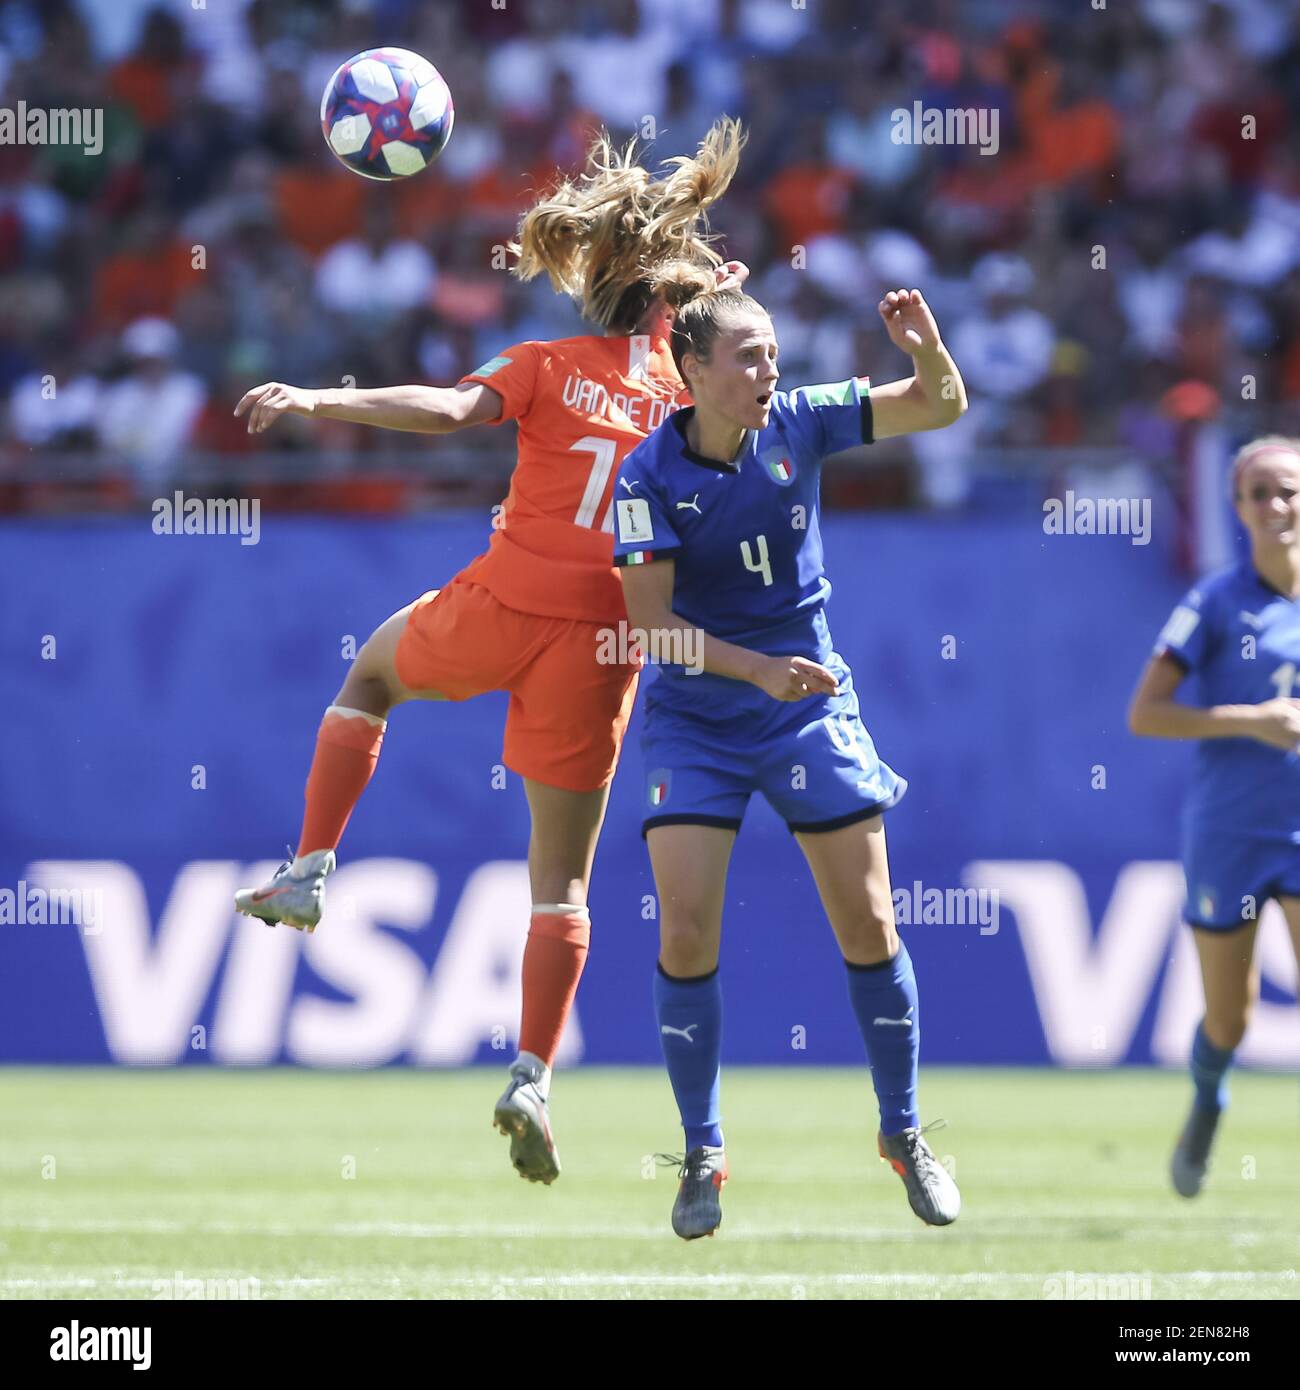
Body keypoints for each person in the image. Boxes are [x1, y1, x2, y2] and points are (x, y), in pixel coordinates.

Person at [231, 118, 748, 1186]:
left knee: (371, 675)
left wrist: (322, 398)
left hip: (504, 599)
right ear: (668, 307)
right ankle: (530, 1073)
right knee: (560, 882)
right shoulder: (682, 392)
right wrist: (715, 304)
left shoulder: (546, 363)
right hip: (605, 637)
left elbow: (448, 408)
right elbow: (733, 391)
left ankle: (311, 867)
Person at [612, 279, 968, 1238]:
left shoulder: (802, 422)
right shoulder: (645, 477)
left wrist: (925, 345)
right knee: (686, 933)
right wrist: (755, 670)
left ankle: (903, 1134)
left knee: (867, 921)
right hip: (699, 718)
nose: (770, 370)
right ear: (694, 373)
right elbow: (654, 627)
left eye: (773, 353)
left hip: (804, 704)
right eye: (749, 357)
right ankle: (703, 1152)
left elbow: (938, 405)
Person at [1128, 436, 1300, 1198]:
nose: (1278, 505)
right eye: (1260, 493)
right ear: (1237, 508)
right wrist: (1251, 720)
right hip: (1229, 835)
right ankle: (1207, 1098)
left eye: (1288, 490)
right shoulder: (1215, 602)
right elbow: (1146, 715)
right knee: (1229, 1021)